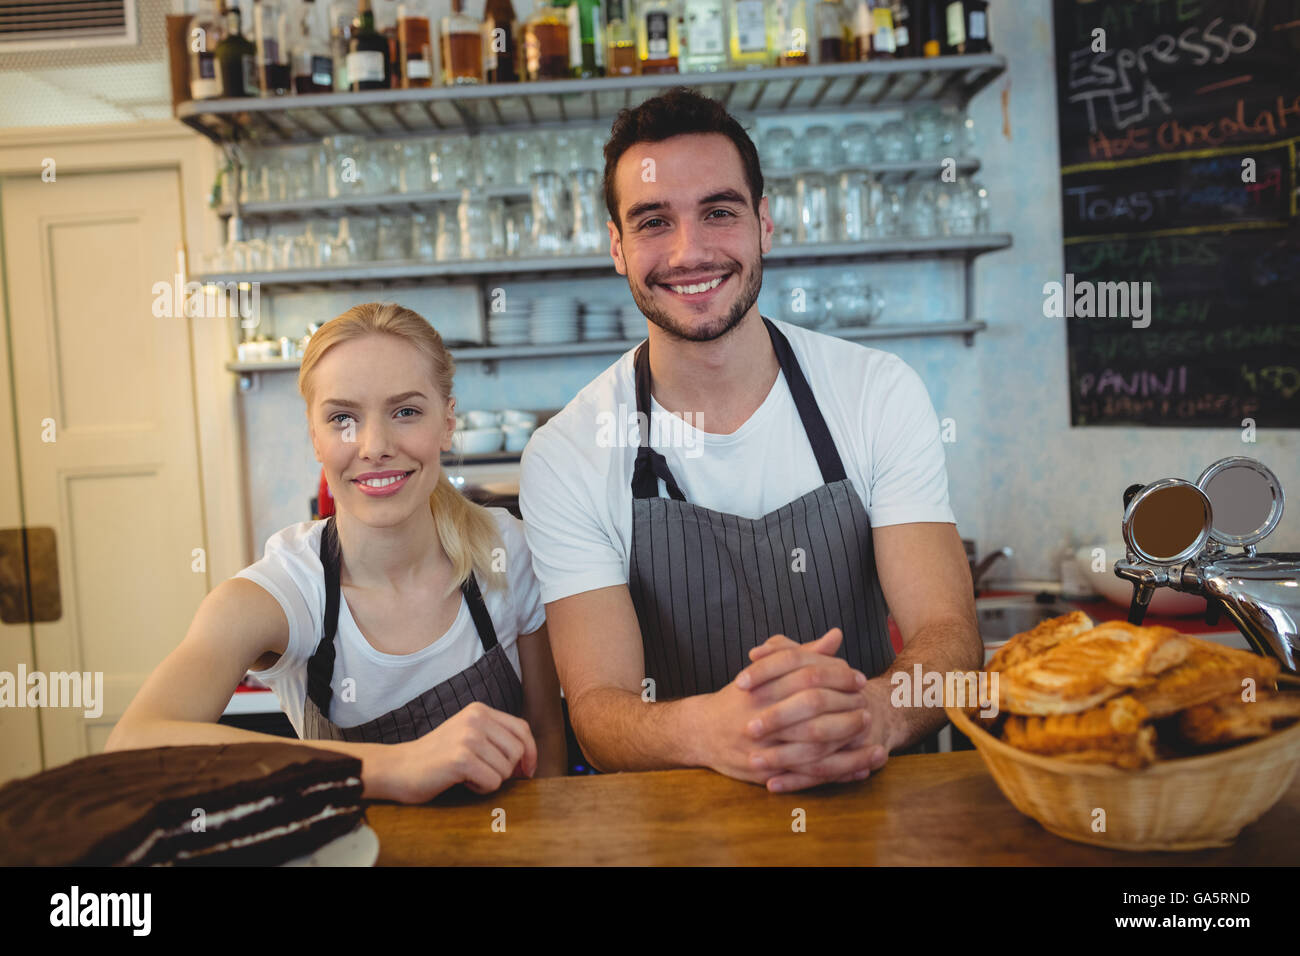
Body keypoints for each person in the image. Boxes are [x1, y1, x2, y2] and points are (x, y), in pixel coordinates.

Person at [518, 88, 982, 793]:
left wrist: (873, 718)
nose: (690, 250)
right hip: (679, 830)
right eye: (652, 221)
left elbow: (950, 637)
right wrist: (722, 731)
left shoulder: (876, 392)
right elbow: (599, 713)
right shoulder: (567, 455)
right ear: (616, 247)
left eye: (719, 212)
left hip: (876, 803)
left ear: (764, 223)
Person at [108, 302, 567, 802]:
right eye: (343, 417)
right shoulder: (288, 590)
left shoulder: (505, 550)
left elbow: (546, 740)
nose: (375, 445)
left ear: (447, 422)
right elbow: (133, 746)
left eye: (406, 411)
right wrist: (399, 764)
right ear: (315, 437)